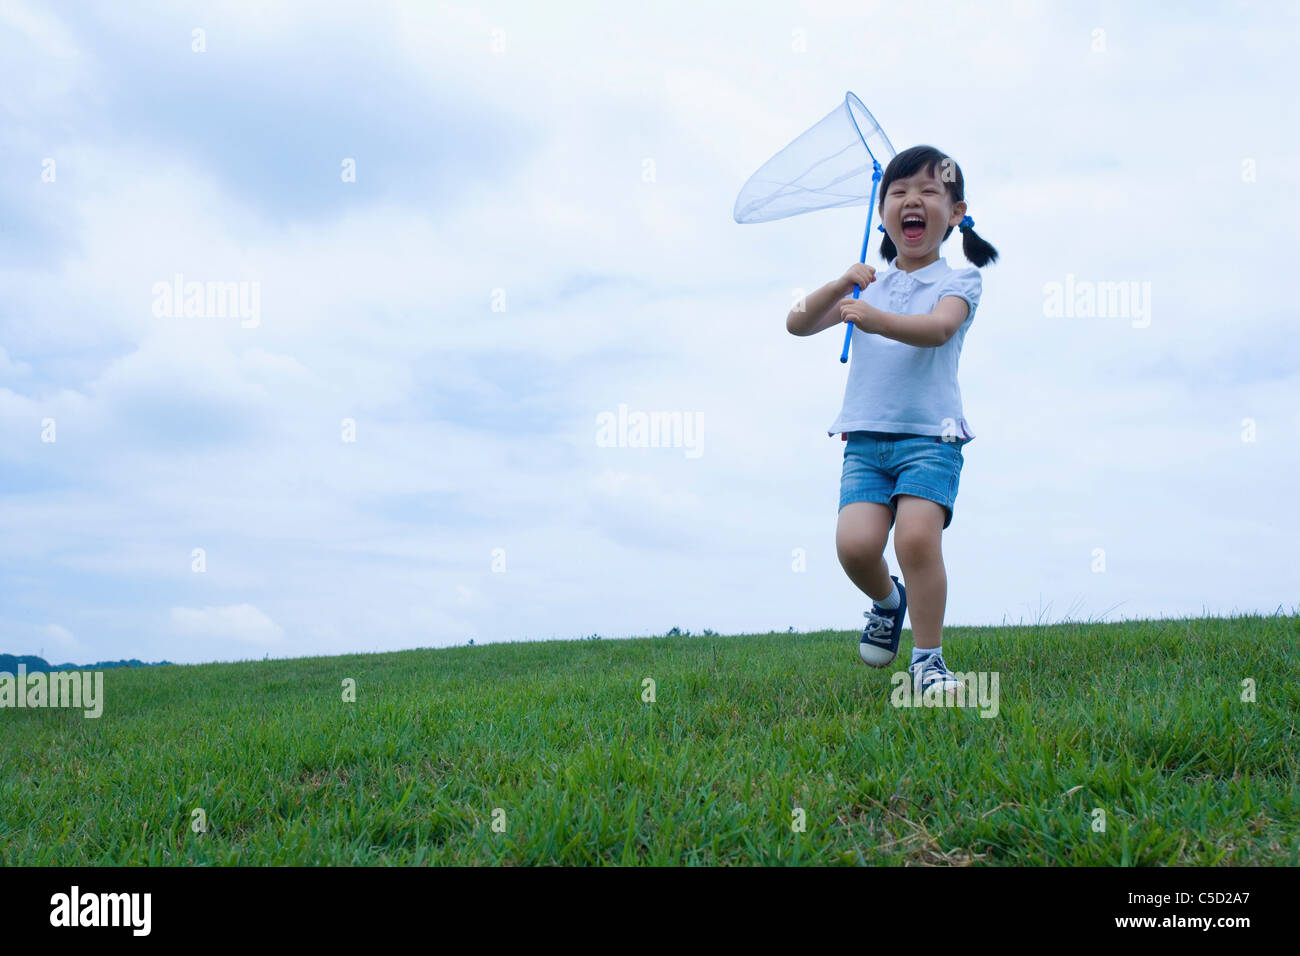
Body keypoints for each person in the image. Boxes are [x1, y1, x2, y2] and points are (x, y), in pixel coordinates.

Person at [785, 145, 999, 698]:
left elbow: (937, 330)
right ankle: (887, 602)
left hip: (931, 438)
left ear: (954, 213)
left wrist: (875, 318)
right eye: (899, 192)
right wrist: (840, 287)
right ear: (882, 212)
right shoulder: (867, 287)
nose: (913, 200)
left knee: (917, 537)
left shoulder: (960, 281)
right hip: (865, 442)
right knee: (855, 547)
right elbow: (797, 324)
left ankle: (928, 664)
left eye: (930, 192)